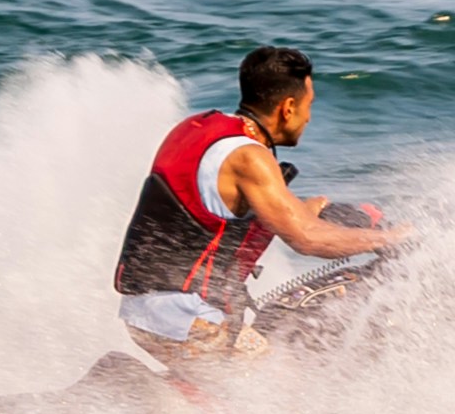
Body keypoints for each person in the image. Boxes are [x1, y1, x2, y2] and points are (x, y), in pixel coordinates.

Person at [116, 45, 397, 346]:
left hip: (145, 311)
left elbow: (209, 215)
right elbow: (307, 239)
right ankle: (121, 373)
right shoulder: (249, 158)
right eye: (309, 105)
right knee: (279, 370)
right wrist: (390, 239)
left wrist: (305, 210)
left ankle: (132, 373)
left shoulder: (199, 128)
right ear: (288, 107)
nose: (308, 118)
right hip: (186, 319)